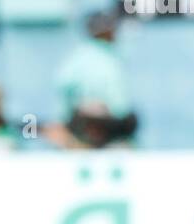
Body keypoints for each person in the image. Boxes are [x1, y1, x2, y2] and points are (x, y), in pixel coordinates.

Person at [52, 12, 138, 149]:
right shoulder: (111, 58)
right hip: (108, 127)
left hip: (81, 125)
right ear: (108, 32)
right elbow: (120, 106)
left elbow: (62, 87)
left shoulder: (77, 56)